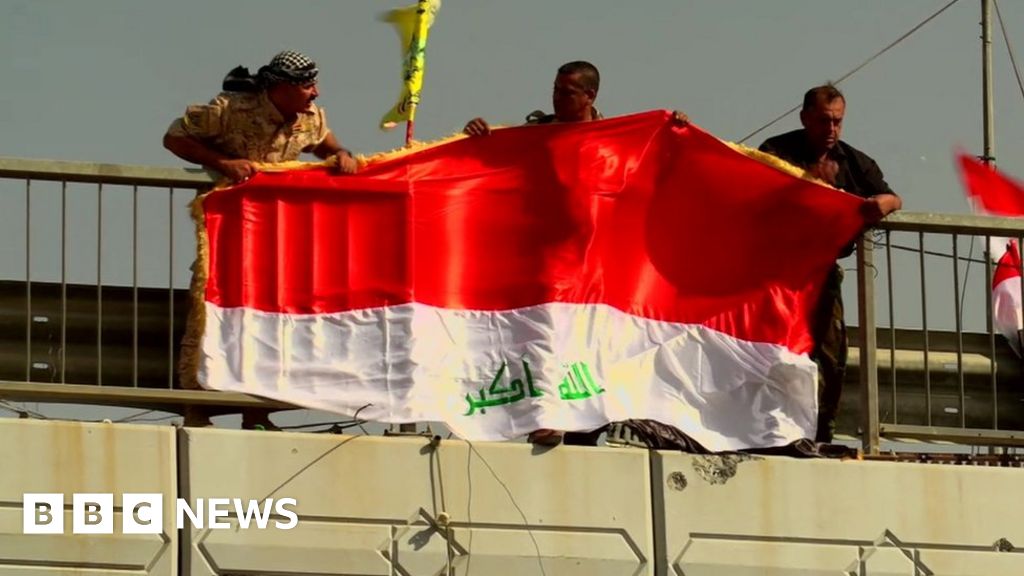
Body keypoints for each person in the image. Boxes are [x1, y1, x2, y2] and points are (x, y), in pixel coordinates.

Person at [464, 61, 688, 446]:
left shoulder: (618, 138)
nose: (556, 97)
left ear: (590, 97)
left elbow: (658, 166)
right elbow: (499, 164)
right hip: (546, 261)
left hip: (599, 265)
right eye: (555, 89)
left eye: (566, 92)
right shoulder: (537, 134)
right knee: (544, 338)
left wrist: (676, 131)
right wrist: (481, 137)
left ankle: (588, 424)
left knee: (592, 345)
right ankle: (546, 416)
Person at [164, 50, 357, 429]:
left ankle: (257, 411)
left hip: (279, 237)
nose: (315, 93)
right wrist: (224, 165)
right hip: (228, 232)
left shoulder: (311, 118)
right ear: (280, 87)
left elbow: (329, 146)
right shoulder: (231, 109)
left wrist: (343, 157)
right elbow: (174, 137)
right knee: (208, 315)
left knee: (270, 323)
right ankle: (197, 407)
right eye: (306, 85)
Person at [759, 83, 902, 443]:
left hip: (821, 272)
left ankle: (820, 432)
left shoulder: (852, 162)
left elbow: (891, 195)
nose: (831, 130)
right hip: (772, 271)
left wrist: (884, 203)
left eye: (837, 122)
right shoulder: (776, 151)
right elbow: (750, 186)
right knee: (771, 348)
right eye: (824, 121)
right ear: (805, 117)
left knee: (830, 354)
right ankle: (769, 429)